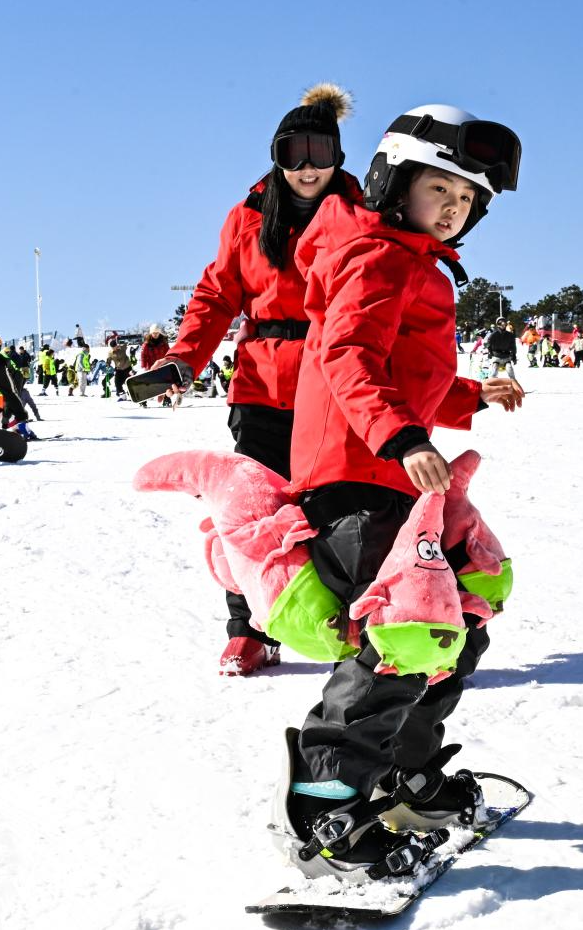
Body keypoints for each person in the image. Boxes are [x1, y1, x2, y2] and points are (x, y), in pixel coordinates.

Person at [272, 103, 523, 881]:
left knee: (456, 626)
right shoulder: (373, 254)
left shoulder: (410, 260)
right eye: (438, 189)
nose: (452, 209)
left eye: (465, 201)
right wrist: (401, 435)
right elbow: (348, 355)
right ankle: (325, 800)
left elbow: (409, 373)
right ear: (390, 181)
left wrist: (467, 397)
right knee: (400, 639)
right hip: (353, 478)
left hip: (389, 476)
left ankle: (400, 778)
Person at [152, 83, 362, 674]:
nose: (306, 167)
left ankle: (348, 617)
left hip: (332, 384)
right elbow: (217, 294)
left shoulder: (361, 215)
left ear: (338, 156)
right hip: (262, 385)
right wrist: (183, 359)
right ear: (277, 154)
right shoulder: (247, 216)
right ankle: (249, 630)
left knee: (340, 508)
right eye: (294, 151)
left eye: (320, 152)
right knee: (253, 513)